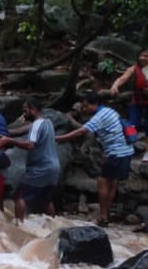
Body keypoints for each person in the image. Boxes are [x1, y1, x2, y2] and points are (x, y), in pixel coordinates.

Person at [56, 92, 136, 227]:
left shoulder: (99, 117)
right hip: (126, 151)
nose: (84, 109)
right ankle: (106, 214)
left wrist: (60, 138)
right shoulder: (110, 111)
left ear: (95, 104)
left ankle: (103, 217)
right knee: (112, 182)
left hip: (116, 153)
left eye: (86, 106)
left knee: (102, 182)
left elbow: (81, 131)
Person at [0, 98, 61, 222]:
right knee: (46, 200)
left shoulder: (37, 125)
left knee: (20, 196)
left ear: (33, 109)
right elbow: (20, 131)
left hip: (40, 169)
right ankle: (53, 226)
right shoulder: (47, 122)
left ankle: (18, 226)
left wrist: (10, 141)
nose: (24, 114)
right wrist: (4, 132)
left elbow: (30, 145)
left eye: (25, 111)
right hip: (54, 168)